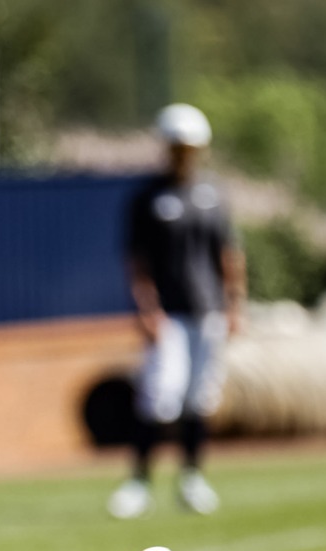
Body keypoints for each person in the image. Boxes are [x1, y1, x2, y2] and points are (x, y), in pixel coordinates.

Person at [111, 103, 247, 519]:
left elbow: (228, 253)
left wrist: (234, 303)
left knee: (198, 399)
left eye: (189, 148)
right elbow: (137, 263)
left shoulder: (212, 196)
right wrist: (147, 309)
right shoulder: (147, 199)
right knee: (159, 397)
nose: (183, 155)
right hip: (168, 314)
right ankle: (138, 482)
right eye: (176, 147)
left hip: (207, 311)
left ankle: (192, 479)